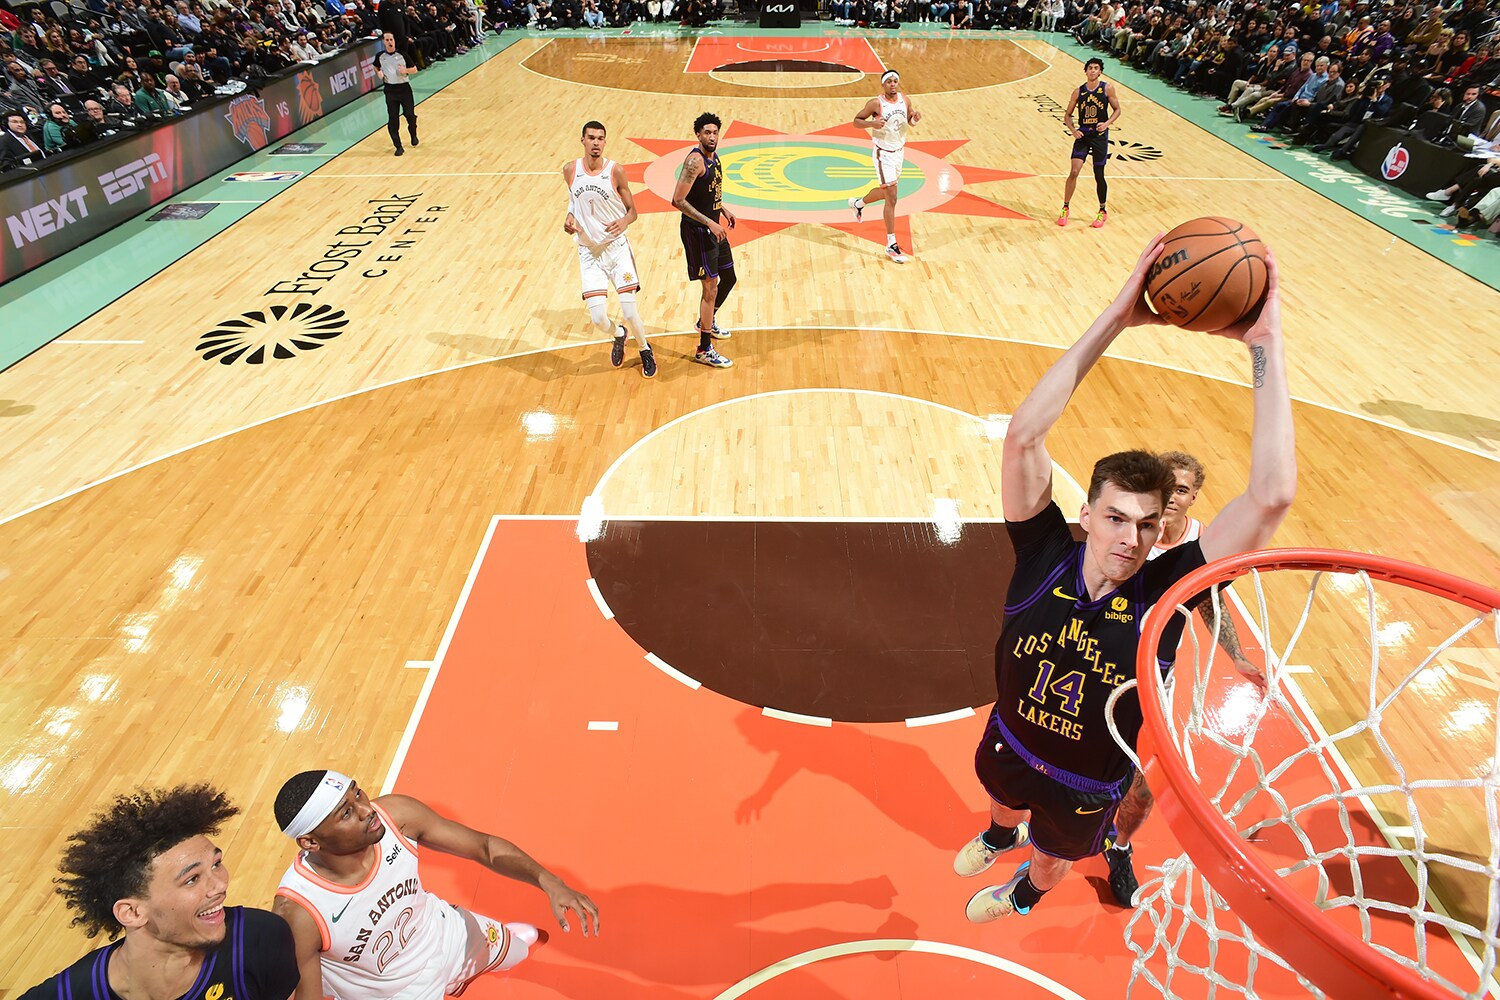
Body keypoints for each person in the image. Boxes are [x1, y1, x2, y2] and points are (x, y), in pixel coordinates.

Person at [952, 234, 1295, 921]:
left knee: (1053, 862)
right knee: (999, 796)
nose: (1129, 538)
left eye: (1145, 525)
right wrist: (1119, 315)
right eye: (1114, 519)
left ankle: (1022, 893)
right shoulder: (1043, 551)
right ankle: (998, 831)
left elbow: (1271, 496)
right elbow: (1023, 435)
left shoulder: (1166, 590)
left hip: (1086, 780)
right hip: (1011, 739)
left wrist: (1266, 341)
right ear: (1087, 511)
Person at [1099, 449, 1265, 908]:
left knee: (1146, 780)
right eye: (1167, 487)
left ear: (1194, 498)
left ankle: (1119, 847)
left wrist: (1238, 656)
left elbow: (1208, 601)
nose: (1173, 496)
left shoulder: (1200, 542)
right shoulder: (1130, 532)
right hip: (1098, 658)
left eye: (1183, 490)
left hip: (1151, 677)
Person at [272, 770, 599, 1000]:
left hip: (445, 934)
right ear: (311, 842)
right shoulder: (300, 911)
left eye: (357, 793)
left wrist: (548, 880)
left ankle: (483, 959)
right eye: (346, 813)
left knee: (516, 950)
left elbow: (483, 847)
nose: (365, 809)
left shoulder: (395, 814)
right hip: (393, 993)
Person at [18, 784, 300, 1000]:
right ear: (132, 912)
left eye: (216, 864)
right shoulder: (69, 993)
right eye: (192, 879)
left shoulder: (262, 939)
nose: (220, 885)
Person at [563, 120, 655, 378]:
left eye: (600, 138)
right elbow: (574, 199)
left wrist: (624, 221)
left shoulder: (616, 171)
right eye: (591, 138)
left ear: (605, 142)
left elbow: (633, 211)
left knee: (628, 310)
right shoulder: (570, 170)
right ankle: (619, 334)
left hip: (616, 250)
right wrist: (569, 217)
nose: (596, 143)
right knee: (598, 320)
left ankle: (645, 348)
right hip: (588, 253)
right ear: (582, 140)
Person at [671, 111, 736, 369]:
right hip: (698, 232)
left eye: (715, 132)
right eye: (707, 132)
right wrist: (709, 221)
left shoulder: (715, 157)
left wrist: (722, 209)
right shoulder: (694, 162)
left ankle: (705, 322)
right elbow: (678, 200)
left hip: (714, 227)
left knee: (728, 278)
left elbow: (709, 194)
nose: (711, 136)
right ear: (698, 135)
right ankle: (704, 349)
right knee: (710, 288)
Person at [848, 69, 922, 262]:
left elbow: (908, 122)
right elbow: (856, 121)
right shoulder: (875, 103)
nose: (892, 84)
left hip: (899, 152)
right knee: (892, 197)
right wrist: (871, 125)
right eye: (889, 81)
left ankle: (858, 204)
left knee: (887, 192)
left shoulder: (904, 100)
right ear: (883, 84)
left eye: (895, 81)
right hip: (883, 154)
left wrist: (914, 119)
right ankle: (891, 244)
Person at [1059, 57, 1119, 228]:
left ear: (1100, 71)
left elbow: (1117, 110)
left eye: (1096, 68)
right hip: (1083, 135)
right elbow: (1067, 115)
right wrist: (1073, 130)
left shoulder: (1107, 88)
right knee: (1074, 171)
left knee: (1098, 174)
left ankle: (1102, 210)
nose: (1093, 70)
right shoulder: (1078, 92)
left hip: (1099, 136)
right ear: (1085, 71)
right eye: (1090, 68)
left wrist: (1107, 124)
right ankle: (1065, 207)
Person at [375, 30, 417, 156]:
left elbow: (415, 69)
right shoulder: (380, 56)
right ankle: (398, 146)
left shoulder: (402, 55)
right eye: (387, 40)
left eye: (391, 40)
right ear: (383, 42)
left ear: (394, 41)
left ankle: (413, 134)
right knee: (393, 119)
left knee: (409, 115)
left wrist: (405, 70)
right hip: (390, 90)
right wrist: (379, 73)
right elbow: (376, 66)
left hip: (404, 89)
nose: (389, 42)